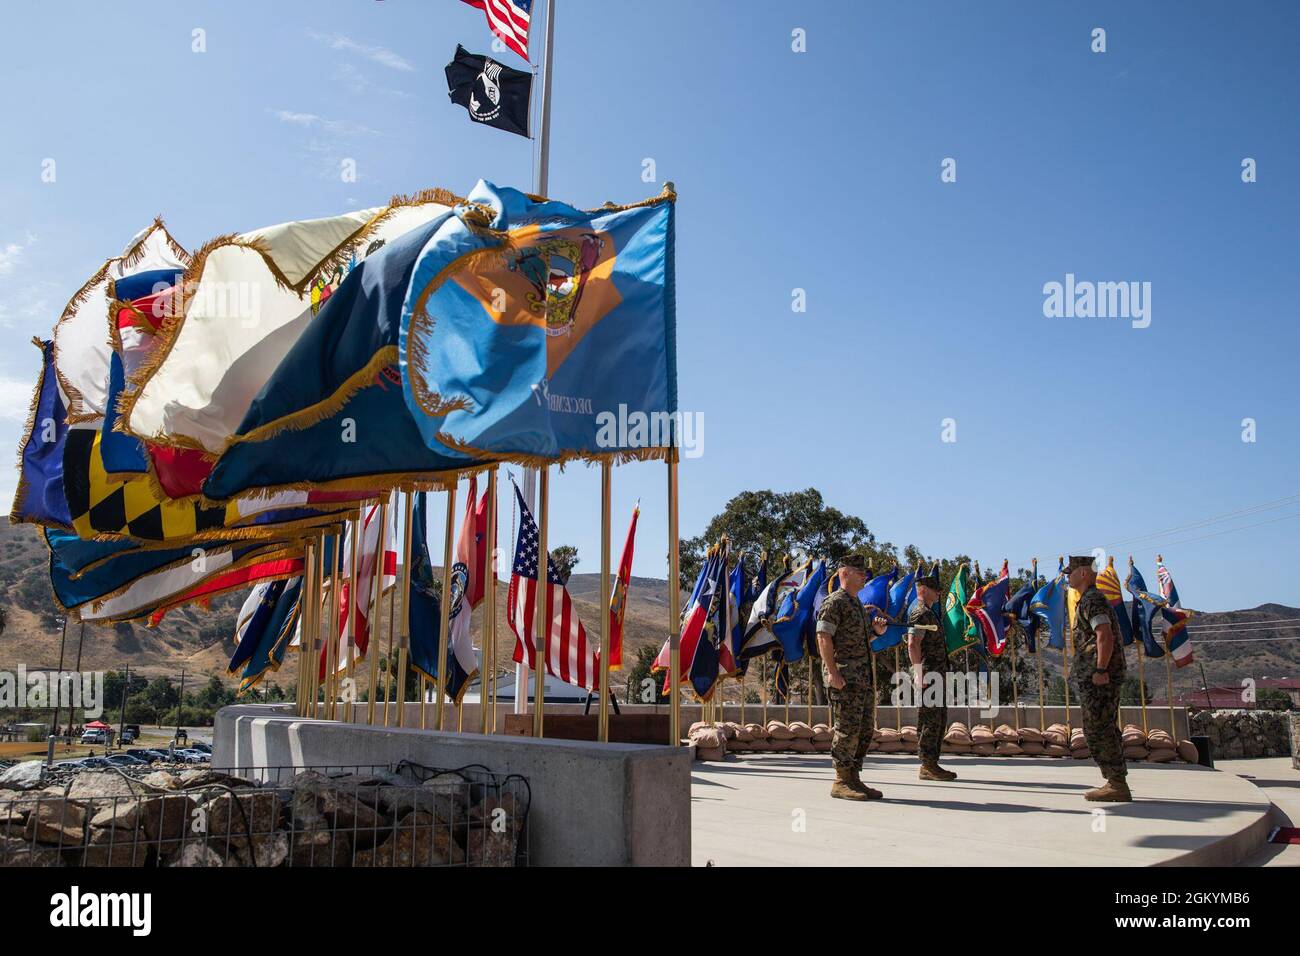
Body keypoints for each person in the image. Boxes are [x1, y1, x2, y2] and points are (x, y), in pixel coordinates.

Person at [814, 554, 882, 801]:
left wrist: (877, 632)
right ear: (844, 573)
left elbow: (860, 642)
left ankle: (853, 777)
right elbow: (823, 637)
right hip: (844, 677)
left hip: (862, 677)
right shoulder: (834, 603)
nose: (865, 576)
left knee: (863, 729)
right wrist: (832, 672)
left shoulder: (857, 605)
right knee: (847, 728)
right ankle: (841, 780)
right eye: (859, 571)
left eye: (864, 572)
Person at [1066, 554, 1130, 802]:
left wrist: (1101, 670)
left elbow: (1104, 635)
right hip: (1096, 675)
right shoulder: (1089, 600)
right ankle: (1115, 780)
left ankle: (1116, 783)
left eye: (1070, 573)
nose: (1068, 577)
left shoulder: (1092, 600)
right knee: (1100, 727)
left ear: (1083, 573)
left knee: (1099, 728)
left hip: (1100, 677)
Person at [908, 563, 956, 781]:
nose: (938, 593)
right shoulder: (920, 613)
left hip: (936, 674)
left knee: (938, 718)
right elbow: (913, 644)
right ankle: (927, 764)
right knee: (930, 720)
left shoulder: (929, 613)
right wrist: (918, 673)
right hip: (928, 674)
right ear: (923, 590)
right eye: (935, 589)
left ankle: (931, 763)